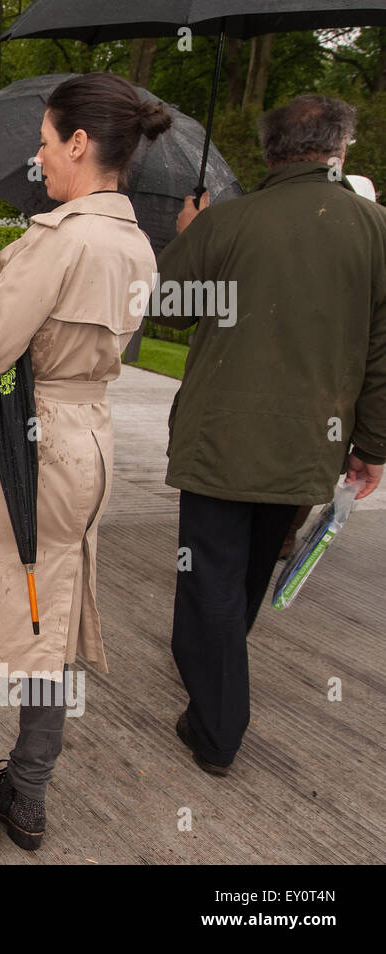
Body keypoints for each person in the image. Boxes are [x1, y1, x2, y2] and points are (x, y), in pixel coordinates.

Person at [0, 73, 170, 853]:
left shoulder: (63, 237)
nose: (39, 161)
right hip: (87, 445)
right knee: (51, 618)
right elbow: (55, 319)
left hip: (24, 439)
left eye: (47, 145)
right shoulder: (133, 242)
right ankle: (31, 794)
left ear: (79, 144)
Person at [155, 94, 385, 776]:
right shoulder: (376, 230)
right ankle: (211, 674)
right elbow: (381, 352)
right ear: (338, 152)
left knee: (210, 582)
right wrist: (371, 446)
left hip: (220, 439)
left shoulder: (229, 220)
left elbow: (165, 310)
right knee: (247, 574)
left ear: (268, 152)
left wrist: (191, 232)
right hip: (312, 439)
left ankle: (217, 726)